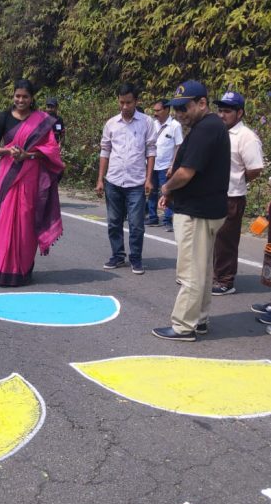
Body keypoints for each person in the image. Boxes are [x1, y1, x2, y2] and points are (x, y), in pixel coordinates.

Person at [152, 80, 230, 342]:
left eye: (184, 108)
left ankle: (184, 325)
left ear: (202, 103)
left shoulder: (206, 129)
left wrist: (166, 189)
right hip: (207, 208)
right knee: (203, 270)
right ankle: (201, 319)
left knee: (191, 272)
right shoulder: (209, 127)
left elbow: (185, 173)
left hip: (198, 212)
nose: (179, 114)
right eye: (176, 109)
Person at [0, 79, 64, 286]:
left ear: (32, 99)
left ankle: (22, 271)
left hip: (30, 179)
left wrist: (28, 155)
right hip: (8, 176)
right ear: (13, 96)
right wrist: (8, 151)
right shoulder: (4, 117)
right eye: (17, 96)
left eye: (25, 97)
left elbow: (51, 151)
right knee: (6, 222)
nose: (20, 100)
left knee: (25, 223)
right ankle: (1, 269)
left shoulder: (42, 120)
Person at [96, 83, 157, 275]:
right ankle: (118, 255)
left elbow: (151, 151)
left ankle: (136, 259)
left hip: (136, 183)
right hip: (113, 181)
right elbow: (105, 151)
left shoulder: (146, 122)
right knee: (114, 221)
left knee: (136, 224)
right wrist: (100, 179)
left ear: (136, 101)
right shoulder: (111, 124)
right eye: (121, 102)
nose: (124, 106)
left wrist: (148, 179)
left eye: (128, 102)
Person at [211, 91, 264, 296]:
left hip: (232, 196)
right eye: (220, 110)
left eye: (227, 111)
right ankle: (214, 275)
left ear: (239, 113)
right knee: (211, 239)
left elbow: (255, 168)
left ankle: (225, 281)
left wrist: (238, 181)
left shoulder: (247, 137)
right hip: (213, 195)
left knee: (226, 241)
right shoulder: (218, 132)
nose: (222, 115)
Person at [146, 99, 183, 231]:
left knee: (166, 191)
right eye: (154, 110)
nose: (155, 113)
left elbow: (179, 147)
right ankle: (153, 217)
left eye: (158, 110)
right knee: (151, 191)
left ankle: (168, 219)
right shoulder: (152, 124)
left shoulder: (175, 126)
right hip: (152, 164)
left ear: (167, 110)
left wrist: (173, 166)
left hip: (166, 166)